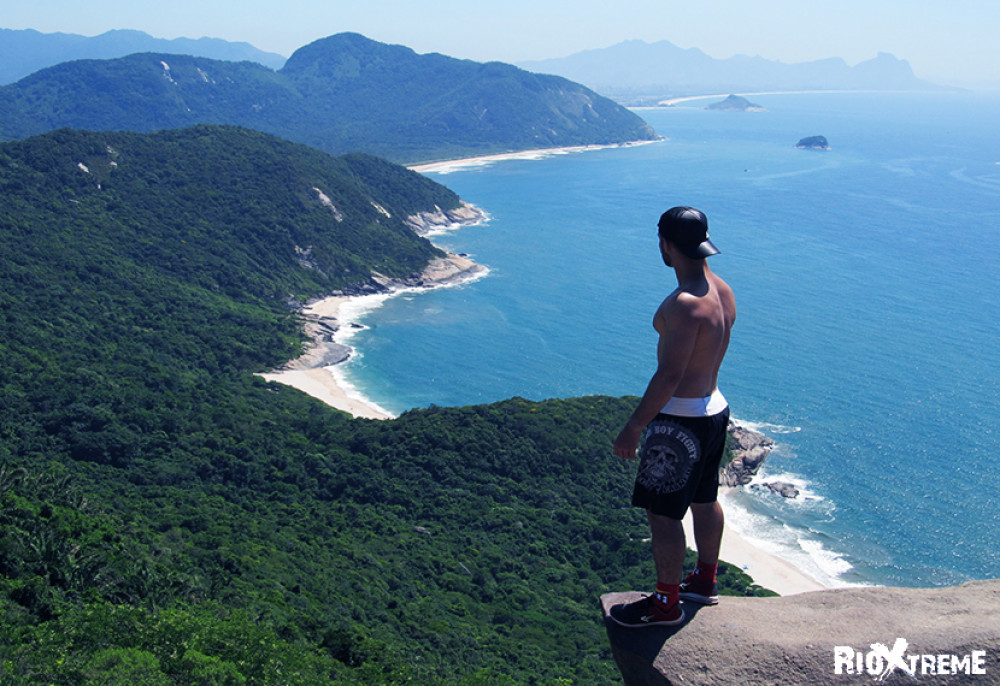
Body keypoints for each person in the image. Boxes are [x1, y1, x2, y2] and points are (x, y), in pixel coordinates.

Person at [609, 206, 736, 628]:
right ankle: (704, 580)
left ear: (666, 245)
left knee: (663, 515)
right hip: (714, 409)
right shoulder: (723, 291)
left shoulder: (683, 304)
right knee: (704, 500)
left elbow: (670, 374)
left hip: (679, 420)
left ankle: (665, 604)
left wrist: (634, 425)